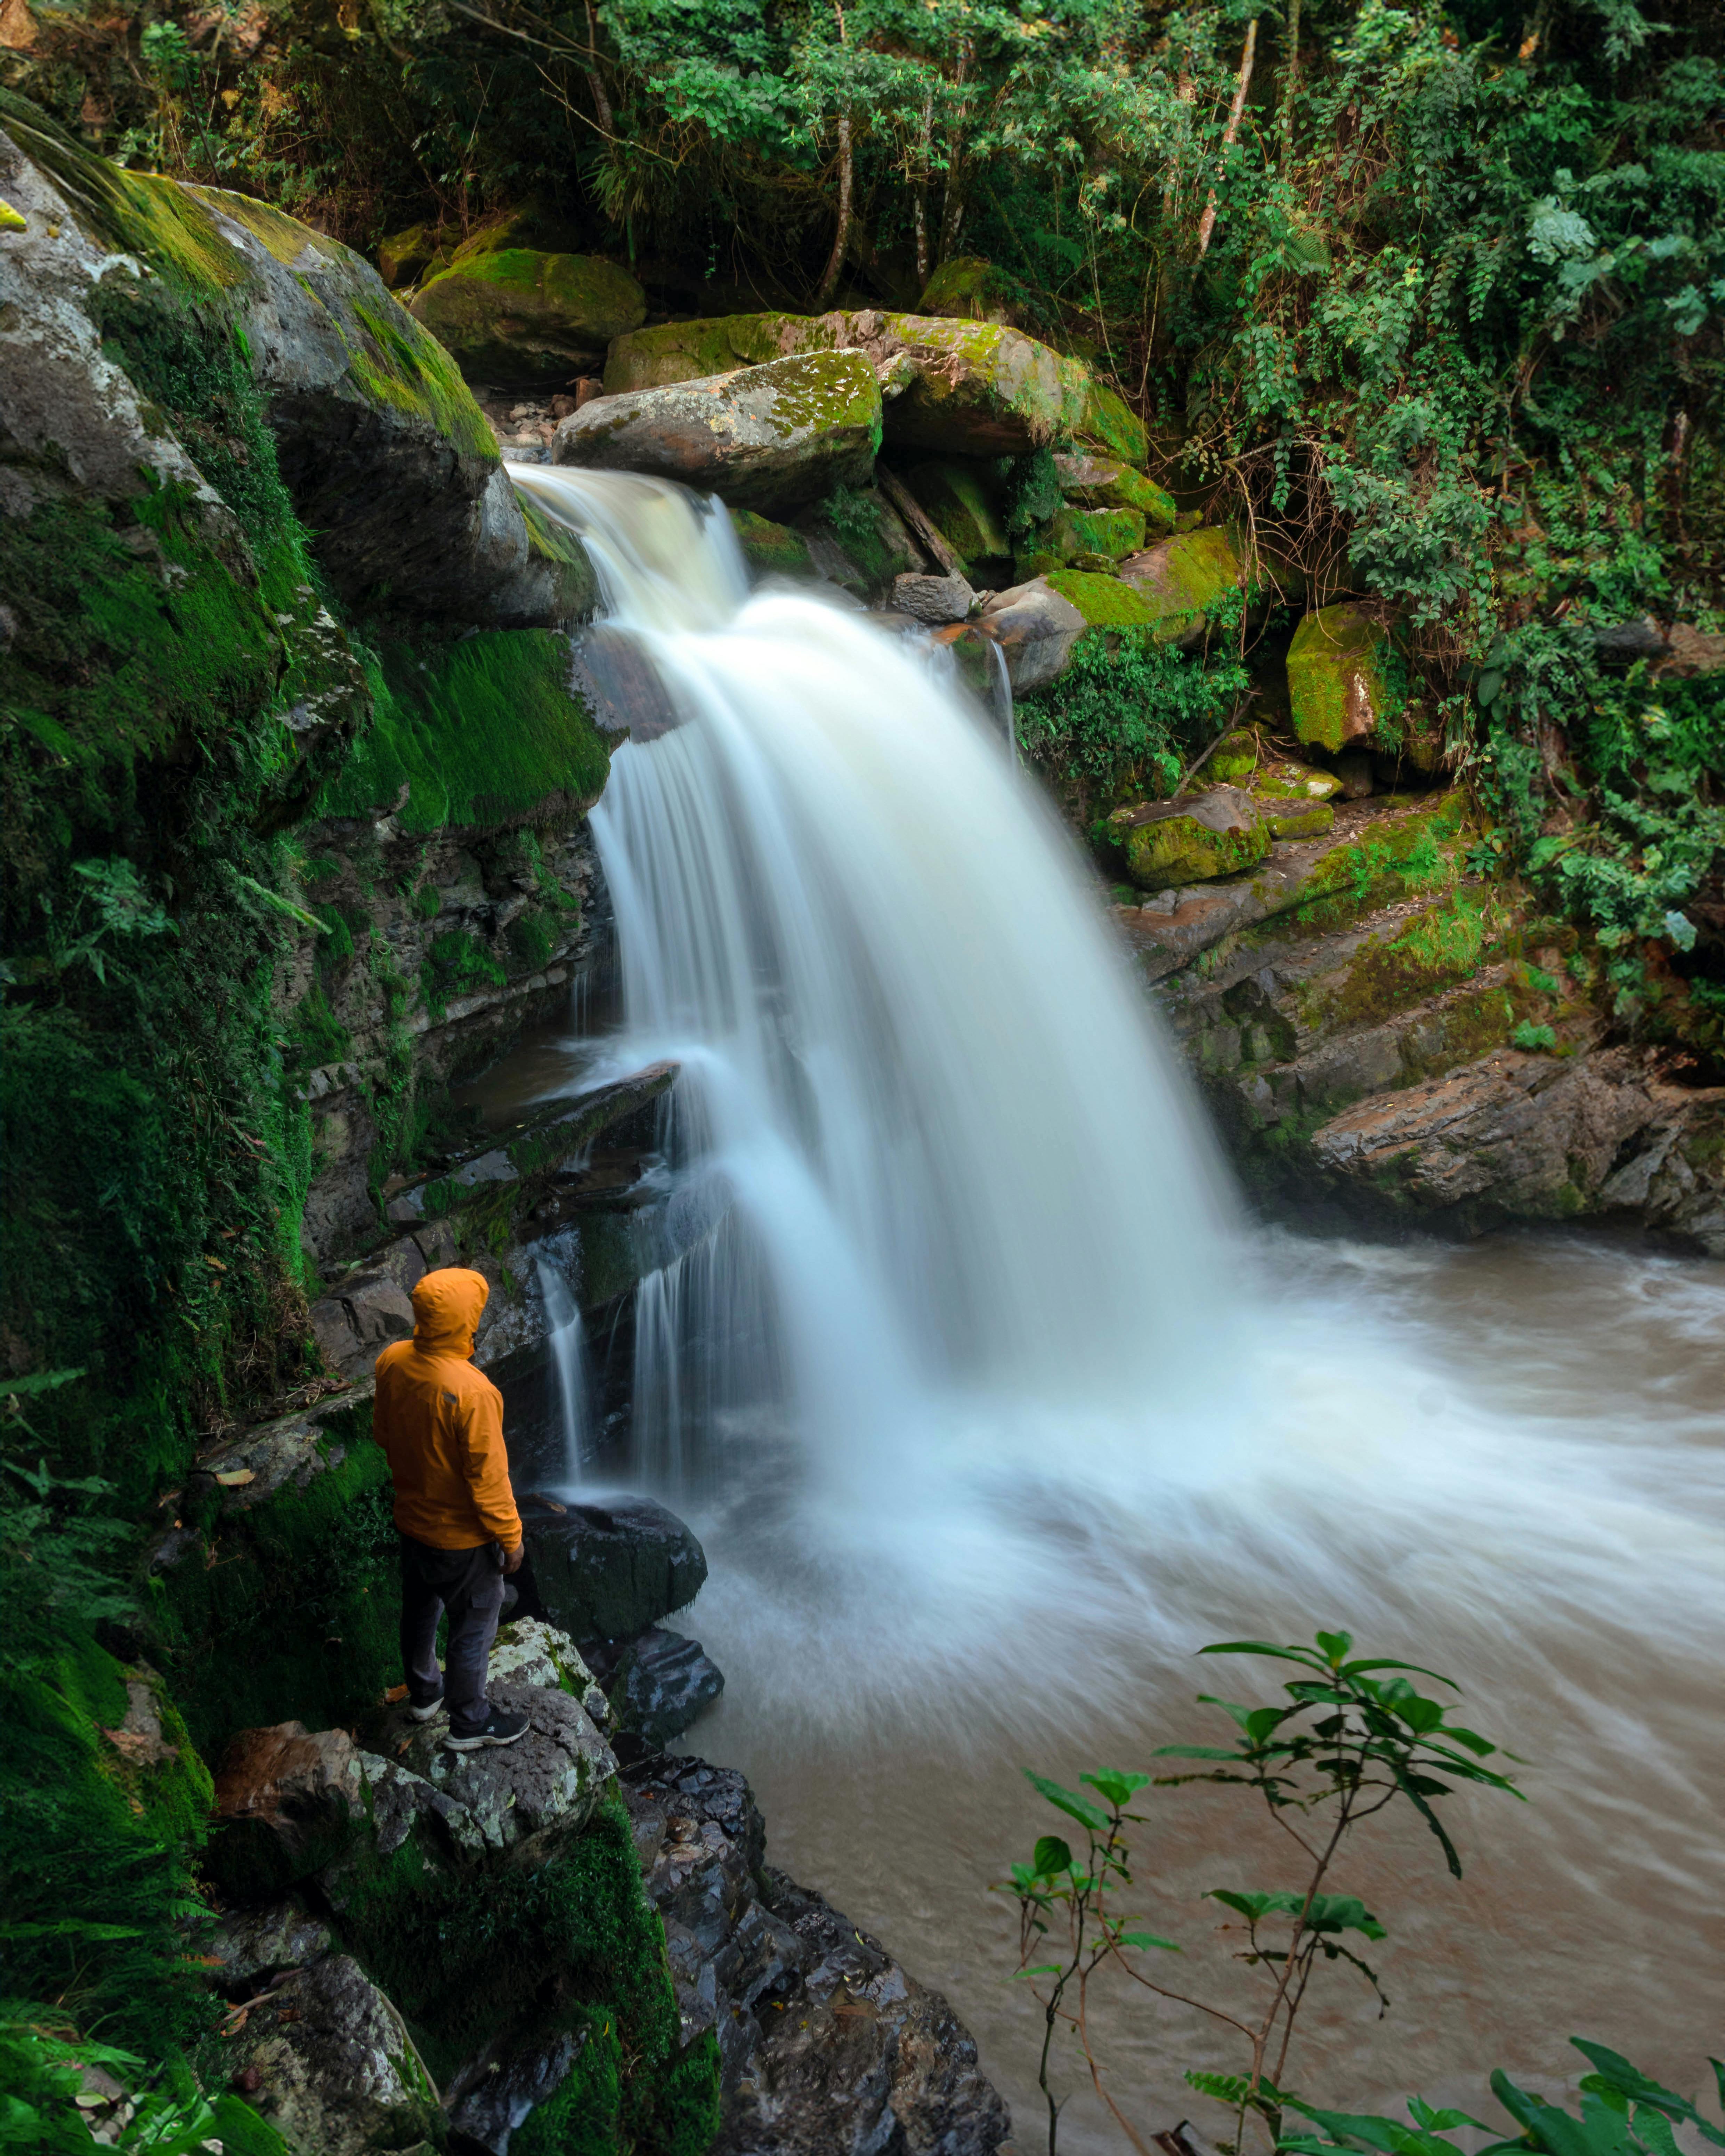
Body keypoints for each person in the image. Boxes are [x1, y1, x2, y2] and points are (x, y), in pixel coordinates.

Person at [372, 1266, 529, 1751]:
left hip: (412, 1522)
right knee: (476, 1621)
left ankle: (423, 1693)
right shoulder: (473, 1391)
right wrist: (511, 1538)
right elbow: (489, 1482)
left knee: (420, 1607)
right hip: (462, 1539)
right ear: (465, 1322)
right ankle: (470, 1719)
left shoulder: (392, 1360)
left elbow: (382, 1434)